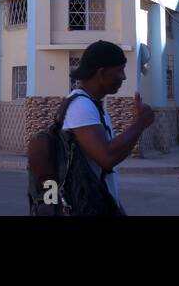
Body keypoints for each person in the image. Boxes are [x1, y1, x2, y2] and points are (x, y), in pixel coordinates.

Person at [61, 40, 155, 216]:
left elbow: (102, 169)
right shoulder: (81, 105)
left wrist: (116, 206)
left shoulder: (93, 105)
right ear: (102, 73)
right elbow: (107, 157)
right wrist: (140, 123)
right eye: (120, 70)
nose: (124, 77)